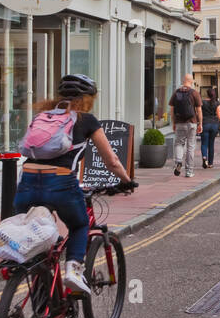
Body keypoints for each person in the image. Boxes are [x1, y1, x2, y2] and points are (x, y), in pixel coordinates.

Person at [15, 74, 134, 295]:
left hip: (27, 182)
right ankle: (73, 271)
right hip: (61, 182)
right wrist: (127, 181)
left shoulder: (43, 116)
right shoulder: (86, 120)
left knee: (37, 237)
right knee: (80, 225)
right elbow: (112, 161)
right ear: (87, 99)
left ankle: (42, 292)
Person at [169, 73, 203, 177]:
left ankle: (178, 161)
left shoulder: (176, 92)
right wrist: (200, 123)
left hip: (180, 123)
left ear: (183, 80)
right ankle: (189, 171)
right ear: (191, 81)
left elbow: (172, 110)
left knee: (179, 143)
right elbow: (199, 110)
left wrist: (174, 122)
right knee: (190, 147)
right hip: (192, 123)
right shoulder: (194, 93)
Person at [198, 89, 220, 170]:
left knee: (204, 144)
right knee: (211, 144)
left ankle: (205, 158)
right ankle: (210, 164)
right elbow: (219, 115)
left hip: (205, 124)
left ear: (207, 94)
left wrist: (199, 123)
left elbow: (199, 113)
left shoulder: (202, 102)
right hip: (214, 125)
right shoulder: (216, 103)